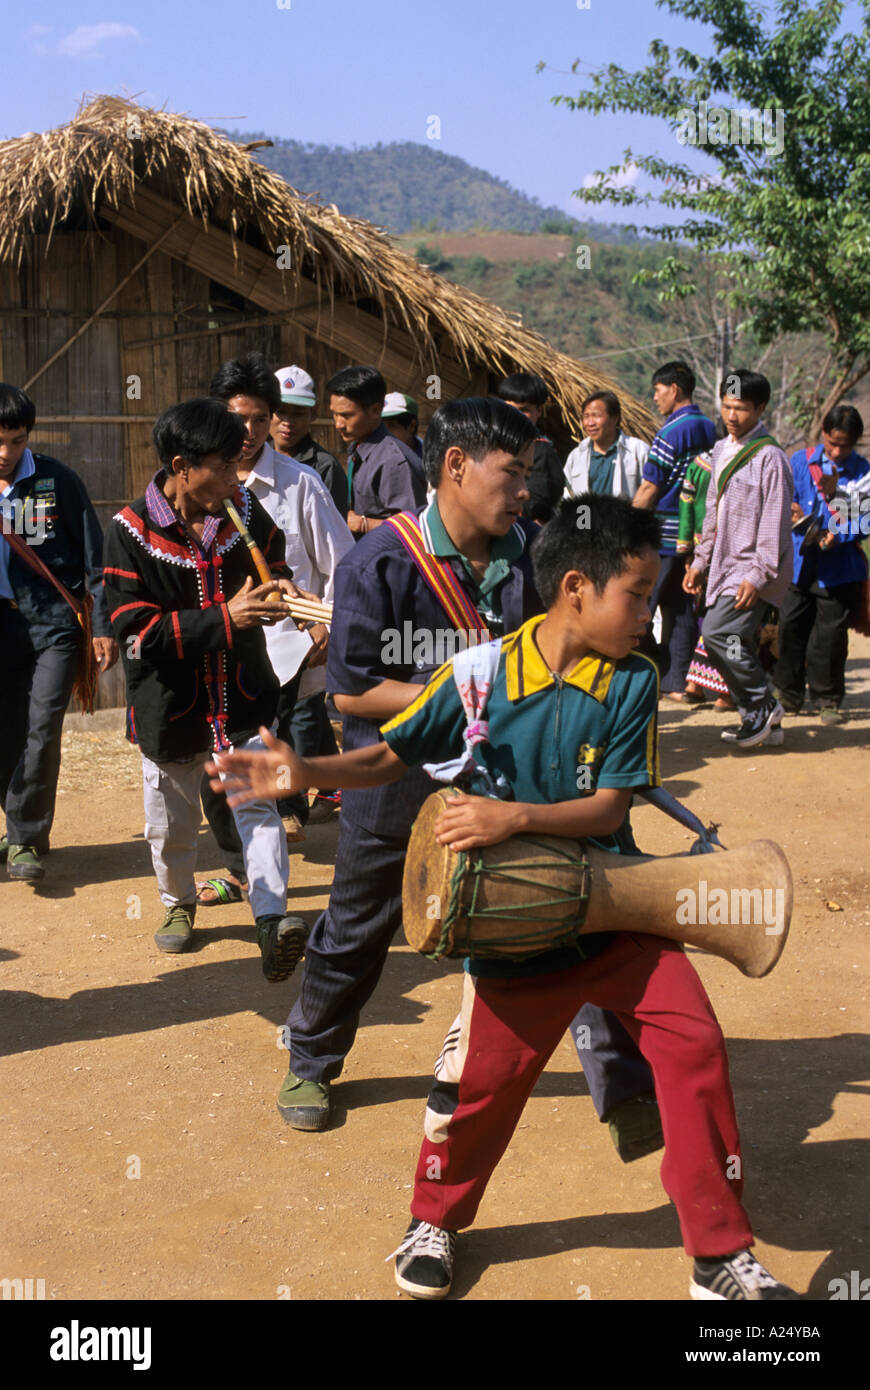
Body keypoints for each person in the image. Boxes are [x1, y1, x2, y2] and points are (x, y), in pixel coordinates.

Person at [211, 494, 798, 1304]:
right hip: (518, 936)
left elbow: (610, 810)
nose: (649, 617)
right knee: (483, 1091)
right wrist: (306, 774)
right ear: (574, 589)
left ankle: (719, 1254)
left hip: (621, 909)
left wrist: (512, 816)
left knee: (694, 1045)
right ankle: (435, 1222)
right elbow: (389, 756)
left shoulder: (631, 682)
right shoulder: (480, 674)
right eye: (637, 595)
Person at [207, 397, 661, 1162]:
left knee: (584, 909)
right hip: (398, 776)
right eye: (511, 473)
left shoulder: (534, 553)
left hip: (522, 774)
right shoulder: (379, 561)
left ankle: (623, 1085)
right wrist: (469, 692)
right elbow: (352, 691)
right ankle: (312, 1057)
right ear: (456, 466)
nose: (524, 491)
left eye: (527, 475)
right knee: (361, 922)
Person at [102, 397, 309, 972]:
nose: (231, 477)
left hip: (241, 694)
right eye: (220, 465)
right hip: (170, 705)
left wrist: (283, 593)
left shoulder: (241, 510)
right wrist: (226, 619)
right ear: (180, 465)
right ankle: (177, 902)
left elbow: (276, 561)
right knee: (170, 823)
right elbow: (133, 630)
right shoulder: (129, 532)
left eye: (234, 463)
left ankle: (272, 918)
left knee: (259, 808)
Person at [204, 354, 353, 858]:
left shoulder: (301, 484)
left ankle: (266, 858)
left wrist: (328, 624)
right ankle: (250, 847)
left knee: (268, 744)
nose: (247, 431)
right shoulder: (195, 490)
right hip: (219, 644)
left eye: (259, 419)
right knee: (221, 764)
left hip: (290, 650)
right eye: (236, 418)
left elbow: (343, 567)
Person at [0, 383, 117, 882]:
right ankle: (19, 826)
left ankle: (25, 837)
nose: (5, 453)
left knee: (42, 726)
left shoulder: (58, 481)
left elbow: (96, 558)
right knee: (6, 728)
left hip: (53, 624)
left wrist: (104, 627)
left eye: (16, 441)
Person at [684, 370, 793, 749]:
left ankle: (761, 702)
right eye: (727, 406)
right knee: (733, 642)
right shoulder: (720, 450)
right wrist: (700, 562)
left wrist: (757, 575)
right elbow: (712, 513)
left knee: (719, 634)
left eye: (742, 408)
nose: (732, 415)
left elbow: (775, 524)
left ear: (760, 408)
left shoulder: (771, 458)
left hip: (754, 570)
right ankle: (762, 720)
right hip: (724, 566)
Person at [774, 405, 870, 724]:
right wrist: (791, 509)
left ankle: (827, 699)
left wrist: (838, 535)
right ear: (824, 434)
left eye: (846, 444)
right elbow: (784, 497)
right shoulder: (800, 461)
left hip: (839, 567)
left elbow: (866, 520)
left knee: (829, 636)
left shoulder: (863, 472)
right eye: (833, 442)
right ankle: (787, 694)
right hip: (799, 560)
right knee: (790, 627)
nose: (838, 450)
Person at [634, 361, 717, 696]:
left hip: (664, 535)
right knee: (681, 610)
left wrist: (625, 527)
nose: (655, 397)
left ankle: (641, 678)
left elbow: (650, 488)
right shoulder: (710, 429)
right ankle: (676, 683)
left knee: (639, 607)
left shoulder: (670, 432)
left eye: (657, 390)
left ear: (675, 389)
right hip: (696, 536)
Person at [328, 365, 426, 537]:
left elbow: (413, 529)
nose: (338, 424)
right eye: (335, 414)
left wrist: (363, 524)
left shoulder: (394, 461)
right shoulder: (358, 447)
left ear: (375, 410)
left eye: (347, 415)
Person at [271, 365, 348, 518]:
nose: (288, 422)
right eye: (281, 411)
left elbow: (333, 532)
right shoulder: (255, 458)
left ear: (313, 413)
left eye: (298, 413)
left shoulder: (325, 468)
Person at [496, 372, 564, 522]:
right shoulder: (494, 446)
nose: (514, 415)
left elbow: (534, 504)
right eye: (508, 409)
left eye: (523, 410)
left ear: (538, 411)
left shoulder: (541, 450)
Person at [563, 390, 649, 499]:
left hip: (623, 516)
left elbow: (649, 490)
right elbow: (568, 495)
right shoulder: (576, 456)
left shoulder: (638, 450)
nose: (590, 423)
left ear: (614, 418)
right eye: (586, 416)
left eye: (596, 416)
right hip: (586, 516)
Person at [382, 391, 423, 458]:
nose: (383, 433)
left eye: (391, 425)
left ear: (411, 426)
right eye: (381, 426)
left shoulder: (431, 460)